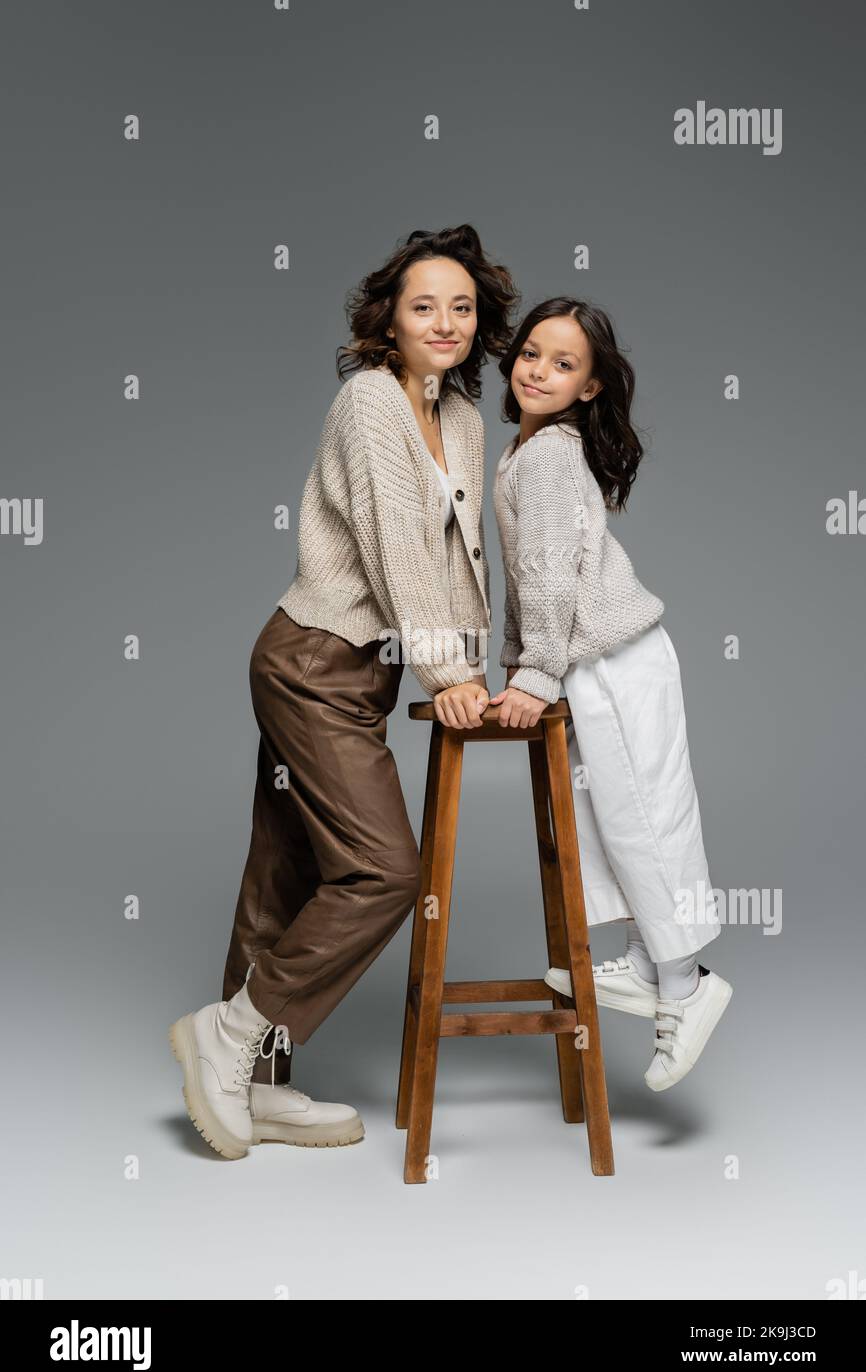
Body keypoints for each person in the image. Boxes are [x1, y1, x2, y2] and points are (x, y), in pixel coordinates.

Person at [169, 225, 518, 1158]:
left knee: (286, 871)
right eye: (422, 306)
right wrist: (449, 672)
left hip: (364, 668)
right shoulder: (370, 402)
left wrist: (472, 666)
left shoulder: (465, 422)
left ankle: (260, 1079)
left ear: (480, 324)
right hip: (313, 659)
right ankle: (231, 1034)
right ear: (387, 323)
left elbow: (457, 563)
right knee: (382, 870)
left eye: (462, 307)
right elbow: (394, 550)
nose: (444, 322)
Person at [488, 297, 732, 1091]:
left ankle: (687, 985)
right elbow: (531, 583)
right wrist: (527, 658)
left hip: (615, 659)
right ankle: (641, 962)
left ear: (591, 388)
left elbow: (554, 573)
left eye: (564, 365)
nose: (539, 371)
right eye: (532, 353)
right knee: (605, 815)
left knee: (643, 817)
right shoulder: (524, 454)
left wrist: (536, 673)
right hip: (589, 662)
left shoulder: (552, 455)